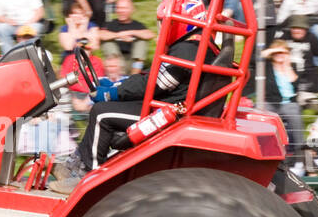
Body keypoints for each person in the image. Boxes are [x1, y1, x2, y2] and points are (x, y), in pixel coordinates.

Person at [50, 23, 224, 192]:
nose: (163, 26)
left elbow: (153, 84)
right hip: (169, 105)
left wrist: (113, 92)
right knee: (106, 107)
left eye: (165, 22)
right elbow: (151, 78)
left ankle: (86, 176)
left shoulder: (186, 50)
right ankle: (77, 162)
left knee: (101, 113)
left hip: (170, 113)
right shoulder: (195, 46)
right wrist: (118, 85)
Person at [262, 40, 305, 158]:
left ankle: (300, 152)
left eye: (283, 52)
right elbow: (258, 55)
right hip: (271, 101)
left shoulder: (293, 66)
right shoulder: (267, 66)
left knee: (294, 113)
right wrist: (276, 50)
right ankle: (267, 150)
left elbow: (295, 84)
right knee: (262, 114)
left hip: (288, 103)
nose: (280, 55)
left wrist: (287, 66)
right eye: (277, 52)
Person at [99, 0, 154, 69]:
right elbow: (100, 34)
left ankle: (134, 77)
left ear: (132, 10)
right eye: (119, 8)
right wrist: (119, 35)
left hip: (132, 62)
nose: (121, 11)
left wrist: (130, 32)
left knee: (141, 42)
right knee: (108, 43)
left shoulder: (137, 25)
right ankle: (119, 77)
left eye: (124, 8)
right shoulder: (111, 24)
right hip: (115, 63)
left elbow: (150, 35)